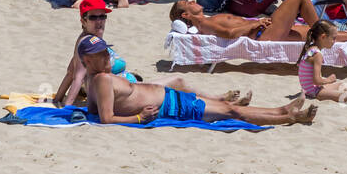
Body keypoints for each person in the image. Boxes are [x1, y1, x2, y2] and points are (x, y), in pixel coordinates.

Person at [78, 35, 317, 125]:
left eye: (105, 51)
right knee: (231, 112)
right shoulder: (100, 79)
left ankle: (283, 110)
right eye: (99, 55)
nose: (106, 56)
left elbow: (93, 111)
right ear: (87, 61)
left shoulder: (95, 80)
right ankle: (288, 116)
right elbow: (106, 119)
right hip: (170, 107)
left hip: (171, 100)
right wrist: (138, 117)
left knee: (228, 108)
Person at [54, 0, 248, 107]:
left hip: (126, 88)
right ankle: (220, 101)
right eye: (94, 17)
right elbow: (77, 75)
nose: (100, 21)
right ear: (83, 20)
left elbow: (70, 71)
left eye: (102, 16)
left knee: (175, 87)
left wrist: (56, 99)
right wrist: (67, 108)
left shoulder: (88, 40)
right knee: (177, 83)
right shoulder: (87, 42)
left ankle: (220, 101)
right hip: (125, 93)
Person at [169, 0, 347, 43]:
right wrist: (257, 23)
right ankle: (322, 28)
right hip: (262, 34)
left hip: (262, 30)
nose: (192, 1)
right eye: (187, 3)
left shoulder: (207, 18)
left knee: (306, 34)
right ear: (186, 15)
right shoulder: (205, 23)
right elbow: (231, 34)